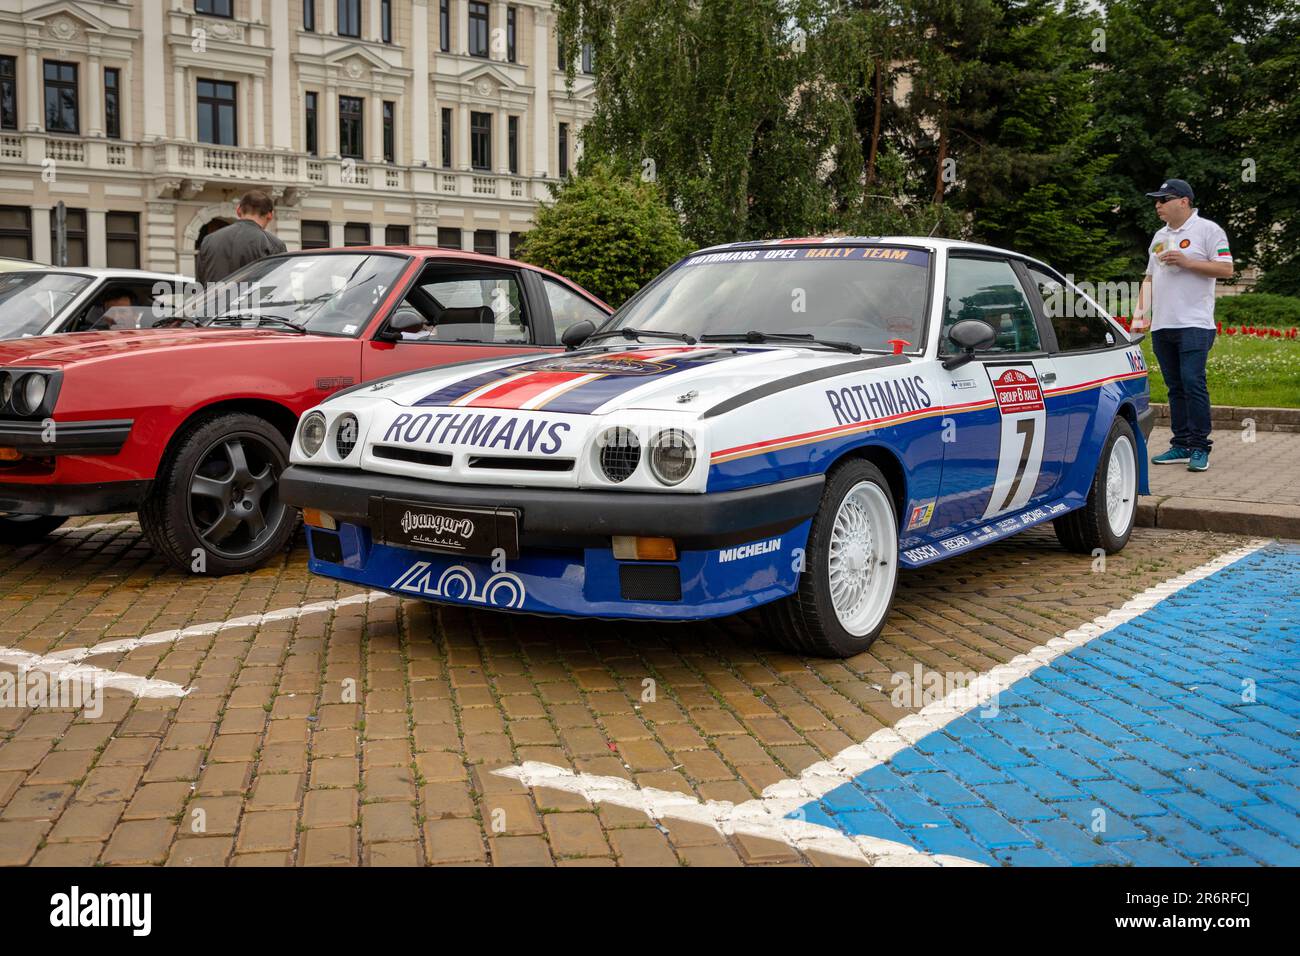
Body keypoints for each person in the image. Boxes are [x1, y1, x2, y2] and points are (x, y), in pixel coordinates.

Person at [1131, 179, 1233, 473]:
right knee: (1175, 387)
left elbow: (1226, 268)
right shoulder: (1159, 235)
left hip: (1195, 323)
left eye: (1163, 199)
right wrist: (1139, 316)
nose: (1157, 205)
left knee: (1192, 381)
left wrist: (1187, 262)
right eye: (1157, 200)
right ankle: (1181, 444)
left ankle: (1200, 447)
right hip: (1164, 324)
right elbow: (1149, 278)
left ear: (1184, 201)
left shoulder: (1208, 230)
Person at [195, 190, 288, 285]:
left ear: (238, 210)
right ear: (270, 215)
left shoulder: (208, 240)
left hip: (215, 299)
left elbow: (199, 284)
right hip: (252, 299)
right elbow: (279, 287)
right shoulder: (274, 245)